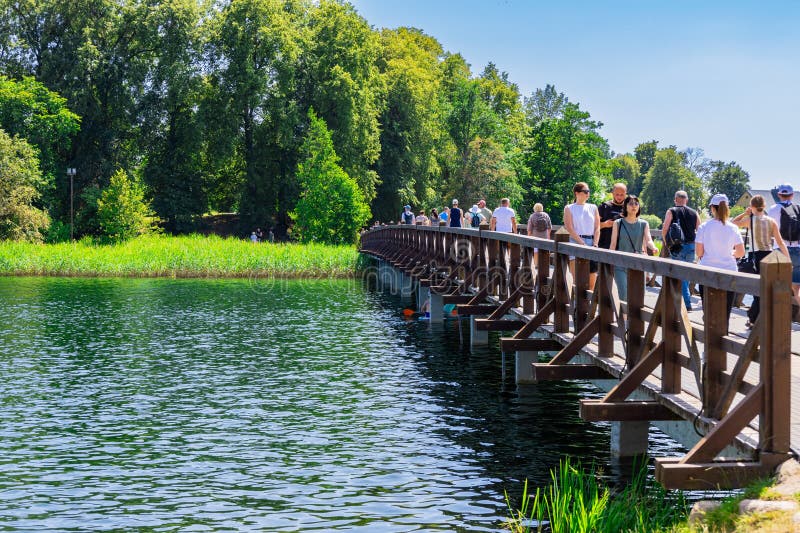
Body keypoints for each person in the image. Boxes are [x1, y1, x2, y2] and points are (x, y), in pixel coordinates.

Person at [734, 194, 790, 325]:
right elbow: (781, 243)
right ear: (764, 206)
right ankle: (757, 317)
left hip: (756, 256)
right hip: (770, 256)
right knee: (767, 288)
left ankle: (754, 318)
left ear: (752, 206)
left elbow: (732, 224)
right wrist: (788, 260)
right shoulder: (771, 221)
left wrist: (744, 213)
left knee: (758, 289)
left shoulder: (750, 220)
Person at [696, 194, 745, 330]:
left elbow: (699, 252)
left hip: (707, 272)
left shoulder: (704, 227)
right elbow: (741, 252)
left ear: (712, 208)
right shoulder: (733, 228)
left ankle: (708, 348)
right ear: (727, 208)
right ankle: (724, 339)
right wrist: (729, 254)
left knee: (709, 311)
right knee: (725, 313)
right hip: (729, 272)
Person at [609, 195, 657, 301]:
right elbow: (613, 244)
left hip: (638, 263)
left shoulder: (644, 223)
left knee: (639, 296)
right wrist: (609, 262)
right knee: (623, 295)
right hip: (620, 263)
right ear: (625, 206)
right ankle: (625, 317)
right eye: (630, 203)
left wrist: (653, 247)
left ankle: (633, 318)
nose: (634, 206)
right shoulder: (618, 223)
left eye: (636, 203)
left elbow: (648, 239)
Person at [662, 190, 700, 311]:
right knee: (686, 276)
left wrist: (668, 245)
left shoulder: (671, 211)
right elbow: (700, 231)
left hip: (677, 247)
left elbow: (665, 229)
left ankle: (686, 304)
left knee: (680, 276)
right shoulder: (694, 213)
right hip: (691, 246)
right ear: (686, 200)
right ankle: (682, 301)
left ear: (675, 199)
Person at [767, 183, 800, 311]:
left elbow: (769, 231)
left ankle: (780, 319)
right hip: (798, 251)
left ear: (779, 195)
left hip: (780, 250)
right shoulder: (798, 208)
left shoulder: (773, 209)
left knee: (779, 286)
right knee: (797, 289)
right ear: (792, 195)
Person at [564, 182, 600, 290]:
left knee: (592, 279)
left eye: (588, 191)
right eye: (585, 191)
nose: (588, 194)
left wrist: (595, 243)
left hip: (591, 242)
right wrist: (582, 243)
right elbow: (569, 228)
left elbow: (597, 227)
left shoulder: (593, 207)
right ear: (577, 193)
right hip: (575, 242)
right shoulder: (569, 208)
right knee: (576, 279)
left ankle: (589, 305)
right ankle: (575, 305)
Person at [598, 183, 627, 249]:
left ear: (625, 194)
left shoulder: (628, 208)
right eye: (617, 194)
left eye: (622, 195)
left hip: (623, 247)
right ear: (613, 193)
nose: (619, 197)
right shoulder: (604, 206)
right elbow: (593, 226)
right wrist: (605, 224)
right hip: (604, 245)